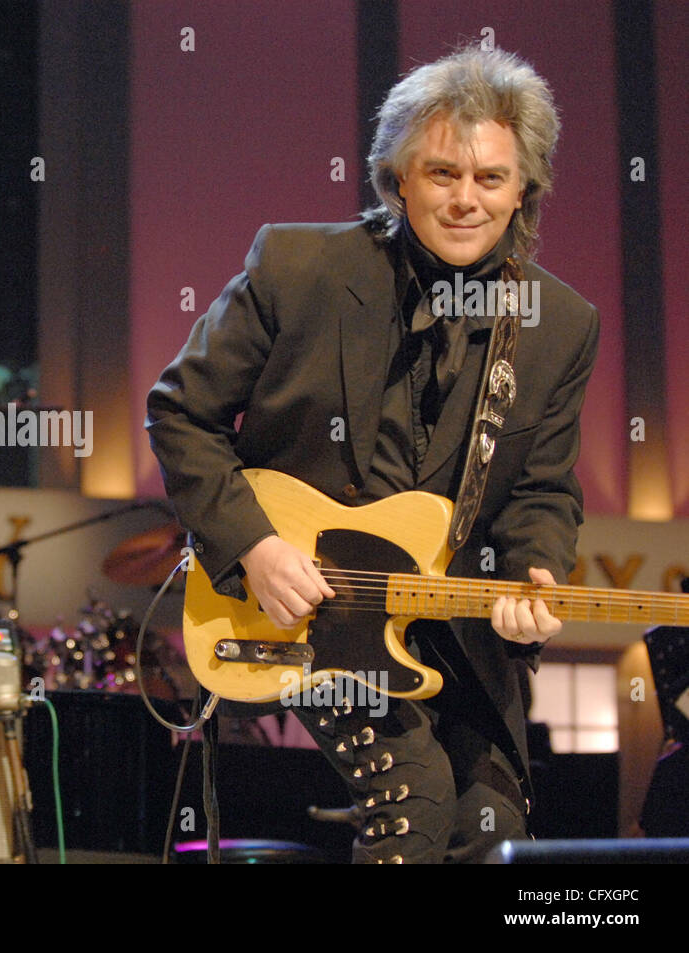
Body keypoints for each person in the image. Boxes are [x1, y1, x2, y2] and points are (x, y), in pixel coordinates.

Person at [145, 47, 599, 863]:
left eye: (491, 179)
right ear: (397, 178)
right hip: (308, 610)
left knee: (492, 833)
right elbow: (181, 412)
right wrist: (254, 544)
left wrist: (534, 569)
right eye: (441, 174)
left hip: (458, 631)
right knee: (413, 796)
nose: (466, 199)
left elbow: (543, 486)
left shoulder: (560, 324)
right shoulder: (298, 267)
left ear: (524, 190)